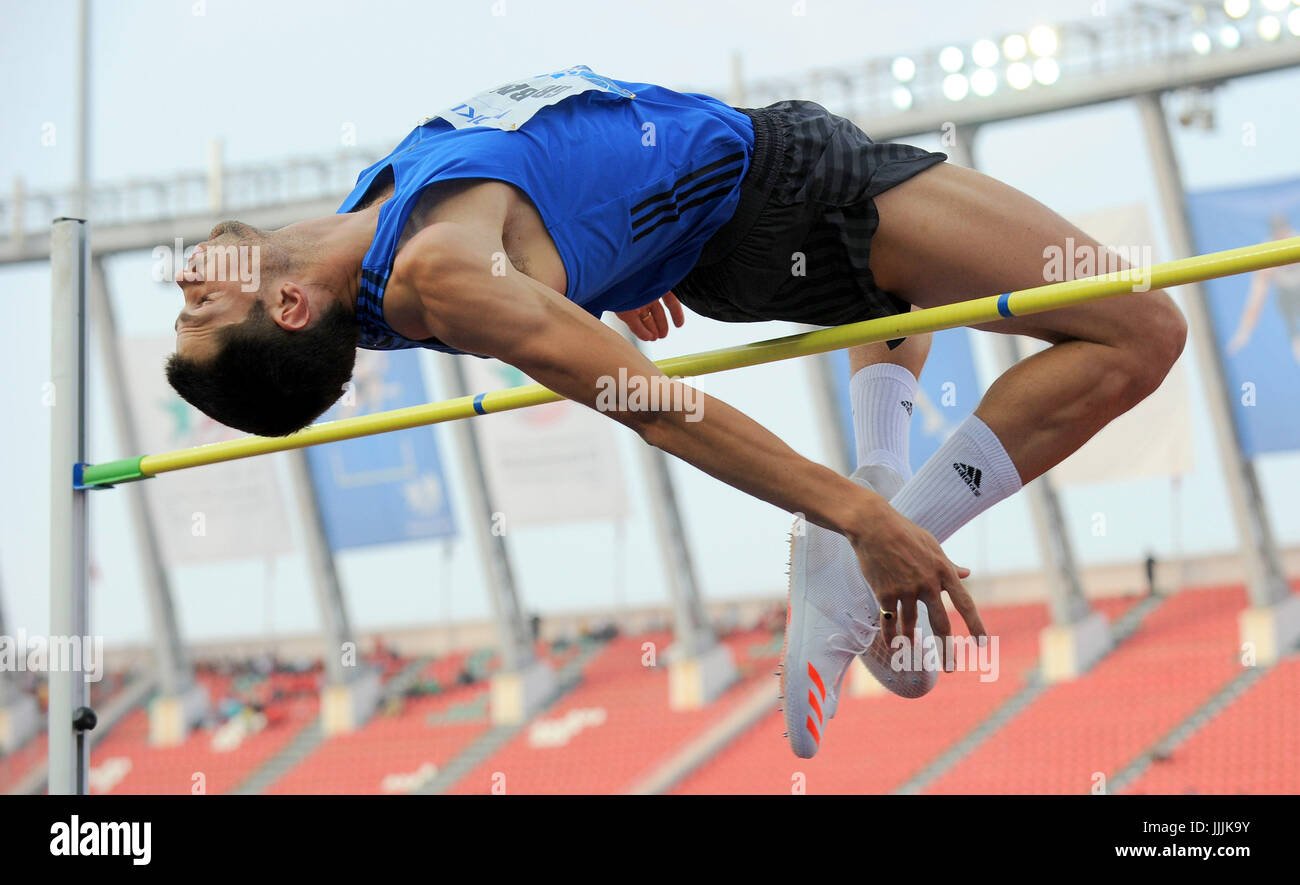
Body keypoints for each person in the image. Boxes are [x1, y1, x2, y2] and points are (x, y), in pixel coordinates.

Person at [165, 65, 1186, 758]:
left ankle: (879, 488)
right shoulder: (429, 267)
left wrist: (599, 261)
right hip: (778, 189)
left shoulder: (367, 231)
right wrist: (856, 522)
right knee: (1138, 333)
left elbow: (529, 205)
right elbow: (652, 406)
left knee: (897, 292)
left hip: (721, 229)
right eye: (201, 303)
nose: (183, 284)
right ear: (289, 307)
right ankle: (870, 537)